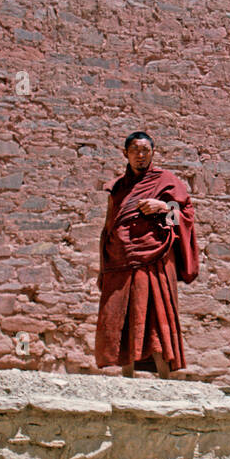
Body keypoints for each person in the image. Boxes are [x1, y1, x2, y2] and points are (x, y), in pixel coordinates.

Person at [94, 132, 199, 378]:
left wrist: (163, 207)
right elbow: (109, 225)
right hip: (120, 259)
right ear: (125, 153)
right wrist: (104, 264)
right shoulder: (118, 187)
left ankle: (164, 377)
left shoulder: (166, 181)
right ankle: (127, 376)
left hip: (155, 257)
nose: (140, 156)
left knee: (155, 314)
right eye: (135, 150)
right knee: (123, 314)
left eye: (145, 151)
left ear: (152, 153)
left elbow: (185, 217)